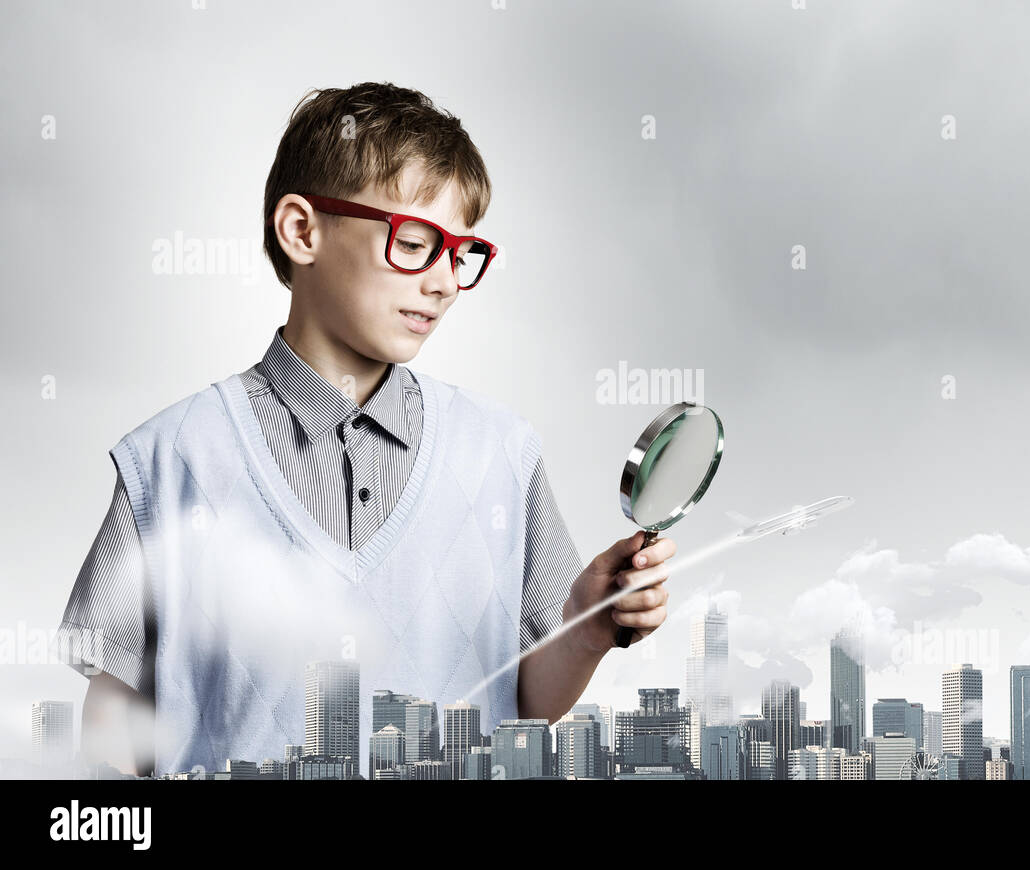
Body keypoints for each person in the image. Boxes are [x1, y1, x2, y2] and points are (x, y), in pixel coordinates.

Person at [57, 82, 674, 778]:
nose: (443, 280)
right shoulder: (170, 461)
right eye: (415, 242)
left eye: (462, 253)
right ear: (301, 231)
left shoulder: (502, 453)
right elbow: (112, 725)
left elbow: (523, 703)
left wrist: (587, 633)